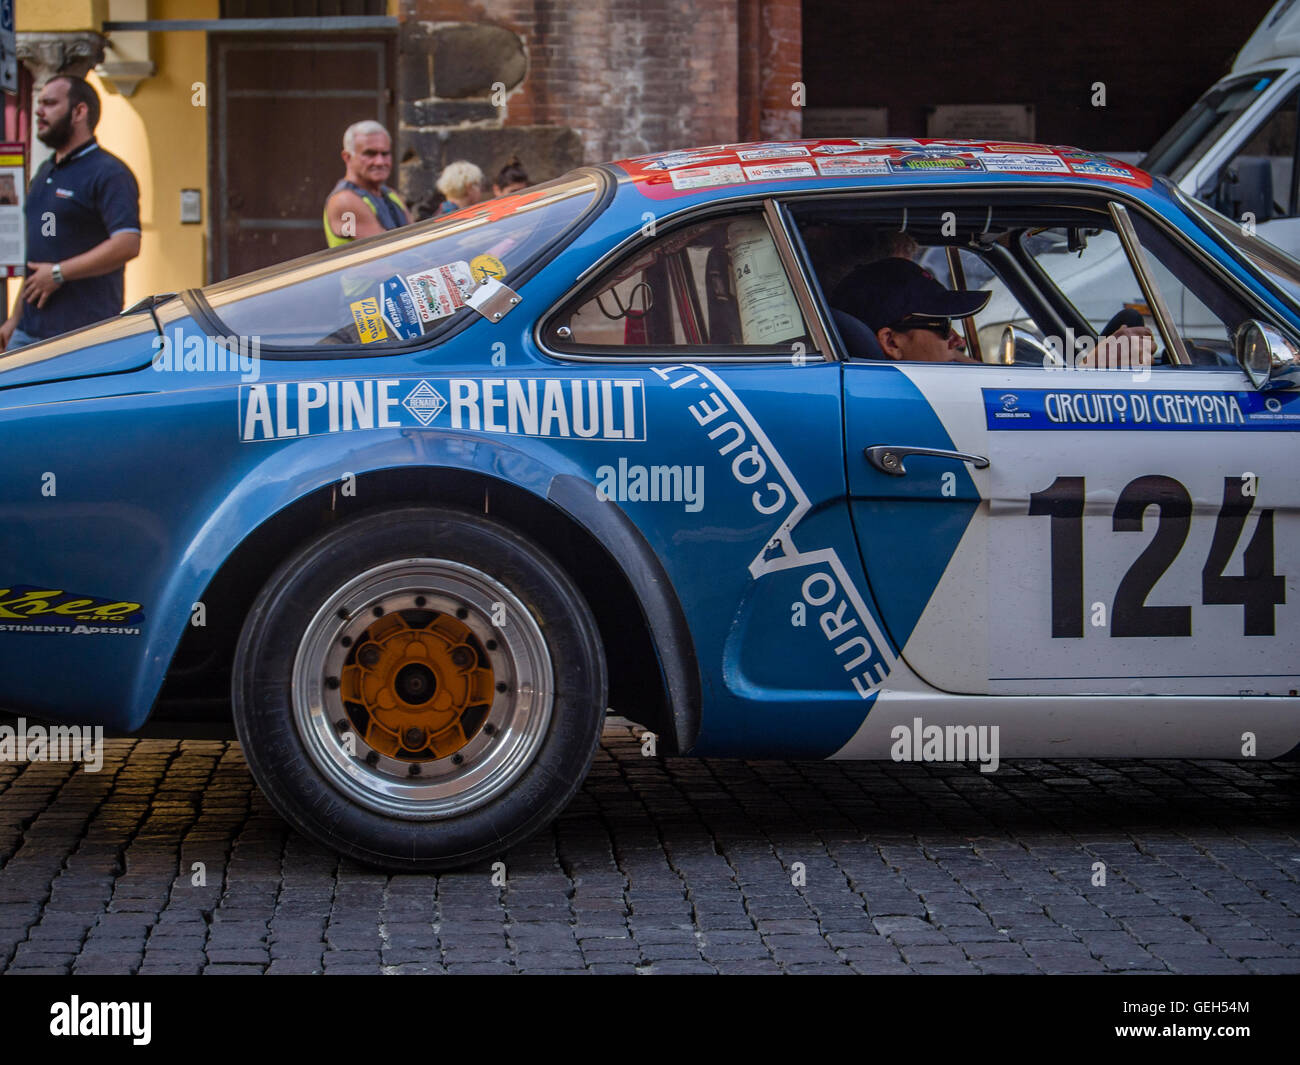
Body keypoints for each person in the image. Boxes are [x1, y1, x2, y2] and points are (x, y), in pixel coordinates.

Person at [0, 75, 141, 353]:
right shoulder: (44, 173)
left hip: (83, 335)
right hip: (28, 334)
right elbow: (38, 261)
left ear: (79, 111)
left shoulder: (110, 173)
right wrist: (14, 322)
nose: (39, 111)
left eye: (50, 103)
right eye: (38, 103)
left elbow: (128, 243)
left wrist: (58, 273)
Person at [832, 256, 1153, 367]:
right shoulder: (910, 403)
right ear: (891, 343)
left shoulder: (939, 375)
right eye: (942, 326)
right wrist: (1087, 379)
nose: (956, 339)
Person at [323, 120, 411, 248]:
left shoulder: (390, 194)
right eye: (370, 154)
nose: (380, 162)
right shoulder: (345, 201)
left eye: (385, 153)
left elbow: (415, 239)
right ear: (347, 157)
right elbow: (388, 252)